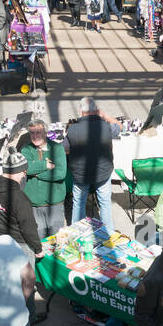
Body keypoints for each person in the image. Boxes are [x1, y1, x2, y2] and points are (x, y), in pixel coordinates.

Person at [64, 97, 120, 234]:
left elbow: (64, 148)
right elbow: (119, 127)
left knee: (78, 203)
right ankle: (108, 234)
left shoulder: (72, 130)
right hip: (103, 173)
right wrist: (105, 115)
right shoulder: (106, 126)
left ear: (81, 111)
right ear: (96, 110)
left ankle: (78, 233)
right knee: (105, 203)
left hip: (80, 175)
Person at [0, 151, 43, 257]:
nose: (24, 176)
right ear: (19, 171)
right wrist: (38, 249)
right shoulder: (20, 198)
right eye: (24, 172)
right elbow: (28, 228)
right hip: (18, 246)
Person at [16, 119, 68, 241]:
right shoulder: (26, 150)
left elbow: (60, 173)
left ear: (45, 133)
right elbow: (26, 169)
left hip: (54, 204)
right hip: (33, 205)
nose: (35, 136)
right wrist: (45, 166)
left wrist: (37, 174)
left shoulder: (57, 149)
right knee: (39, 241)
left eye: (38, 132)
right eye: (32, 133)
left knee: (57, 241)